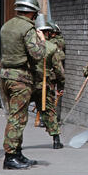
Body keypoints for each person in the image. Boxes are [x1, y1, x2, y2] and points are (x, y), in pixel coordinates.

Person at [0, 0, 46, 170]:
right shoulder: (28, 28)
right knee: (17, 118)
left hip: (5, 76)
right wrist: (42, 41)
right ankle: (10, 157)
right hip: (21, 79)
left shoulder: (6, 25)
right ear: (32, 13)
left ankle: (17, 154)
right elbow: (37, 54)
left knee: (15, 116)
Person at [31, 14, 65, 149]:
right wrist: (61, 84)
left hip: (27, 83)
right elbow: (59, 70)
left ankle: (15, 145)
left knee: (19, 114)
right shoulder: (51, 47)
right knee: (50, 111)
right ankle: (56, 139)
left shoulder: (28, 46)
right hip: (45, 84)